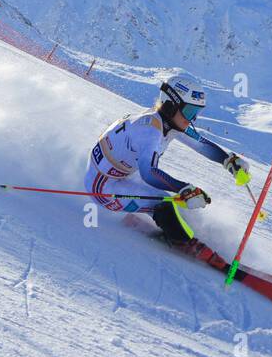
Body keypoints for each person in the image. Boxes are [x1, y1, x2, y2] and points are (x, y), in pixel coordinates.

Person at [84, 73, 249, 244]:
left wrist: (228, 160)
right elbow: (148, 173)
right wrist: (183, 188)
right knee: (163, 203)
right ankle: (184, 242)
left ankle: (175, 228)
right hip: (103, 187)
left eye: (196, 113)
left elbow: (201, 144)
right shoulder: (150, 131)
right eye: (190, 112)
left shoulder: (167, 121)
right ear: (171, 105)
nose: (192, 119)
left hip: (125, 176)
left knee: (179, 204)